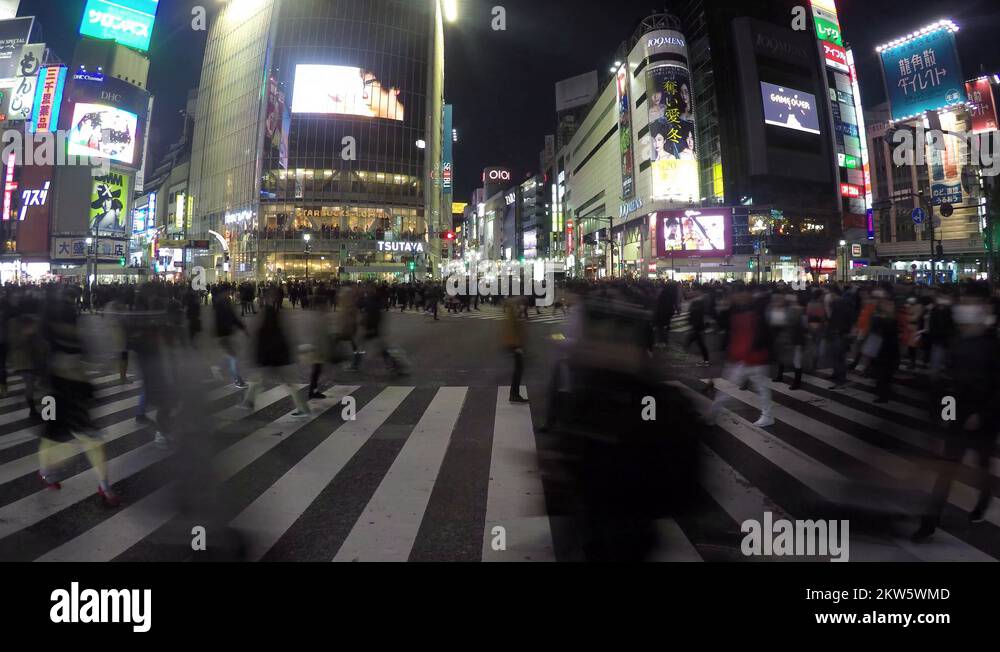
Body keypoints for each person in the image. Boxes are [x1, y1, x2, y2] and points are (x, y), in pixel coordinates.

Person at [914, 283, 999, 541]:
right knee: (946, 470)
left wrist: (982, 415)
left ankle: (983, 501)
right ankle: (930, 521)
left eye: (972, 303)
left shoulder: (993, 344)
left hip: (984, 418)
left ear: (984, 307)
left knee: (982, 466)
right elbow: (948, 381)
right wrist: (947, 415)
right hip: (959, 415)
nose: (965, 309)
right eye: (964, 303)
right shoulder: (956, 341)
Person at [709, 284, 773, 427]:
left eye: (738, 294)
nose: (736, 297)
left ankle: (767, 416)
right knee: (728, 389)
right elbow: (722, 325)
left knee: (761, 389)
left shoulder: (759, 308)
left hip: (754, 356)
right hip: (739, 356)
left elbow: (766, 332)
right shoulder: (733, 309)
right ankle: (713, 414)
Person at [240, 288, 311, 417]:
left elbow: (263, 336)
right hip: (278, 356)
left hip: (271, 356)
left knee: (259, 379)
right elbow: (282, 335)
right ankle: (248, 401)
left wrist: (257, 354)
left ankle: (248, 402)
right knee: (285, 383)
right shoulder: (276, 313)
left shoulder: (269, 314)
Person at [212, 287, 248, 388]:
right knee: (233, 356)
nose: (229, 293)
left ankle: (218, 368)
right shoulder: (220, 304)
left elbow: (233, 317)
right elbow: (228, 318)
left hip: (227, 334)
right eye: (228, 292)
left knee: (232, 355)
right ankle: (237, 379)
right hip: (223, 335)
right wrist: (242, 328)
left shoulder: (225, 302)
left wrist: (243, 328)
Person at [502, 297, 528, 403]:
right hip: (515, 343)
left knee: (519, 368)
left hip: (516, 343)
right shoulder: (514, 307)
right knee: (519, 369)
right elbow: (512, 327)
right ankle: (514, 394)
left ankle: (514, 394)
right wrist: (517, 346)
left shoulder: (515, 306)